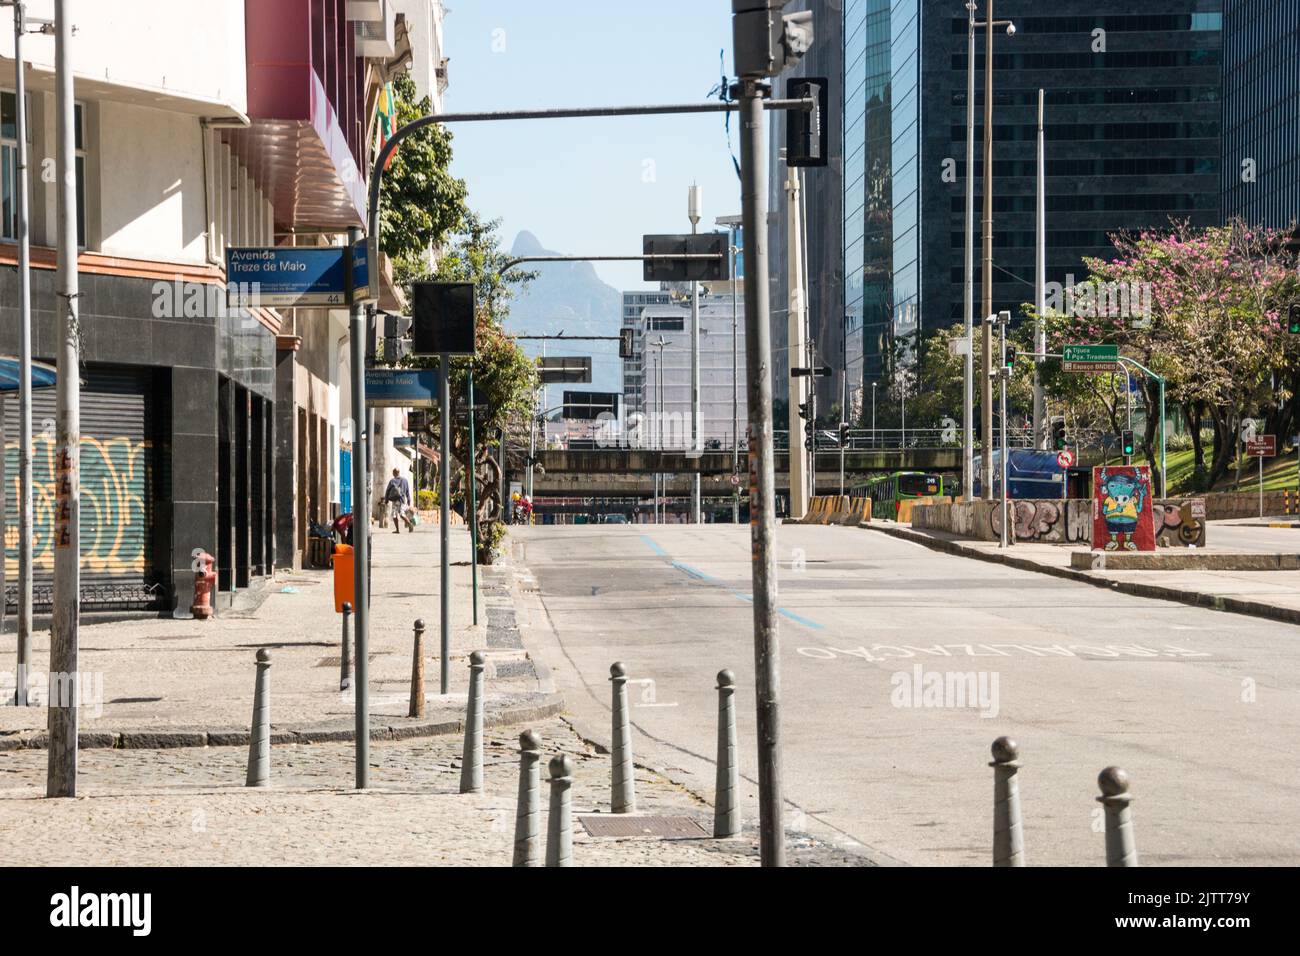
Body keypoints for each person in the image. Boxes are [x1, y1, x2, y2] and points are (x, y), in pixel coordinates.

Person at [384, 468, 413, 533]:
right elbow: (407, 491)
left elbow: (387, 491)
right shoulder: (405, 480)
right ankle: (409, 524)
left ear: (394, 473)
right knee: (401, 514)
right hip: (403, 500)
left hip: (395, 500)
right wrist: (409, 500)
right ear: (399, 472)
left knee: (394, 515)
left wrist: (386, 500)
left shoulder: (392, 481)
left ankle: (398, 529)